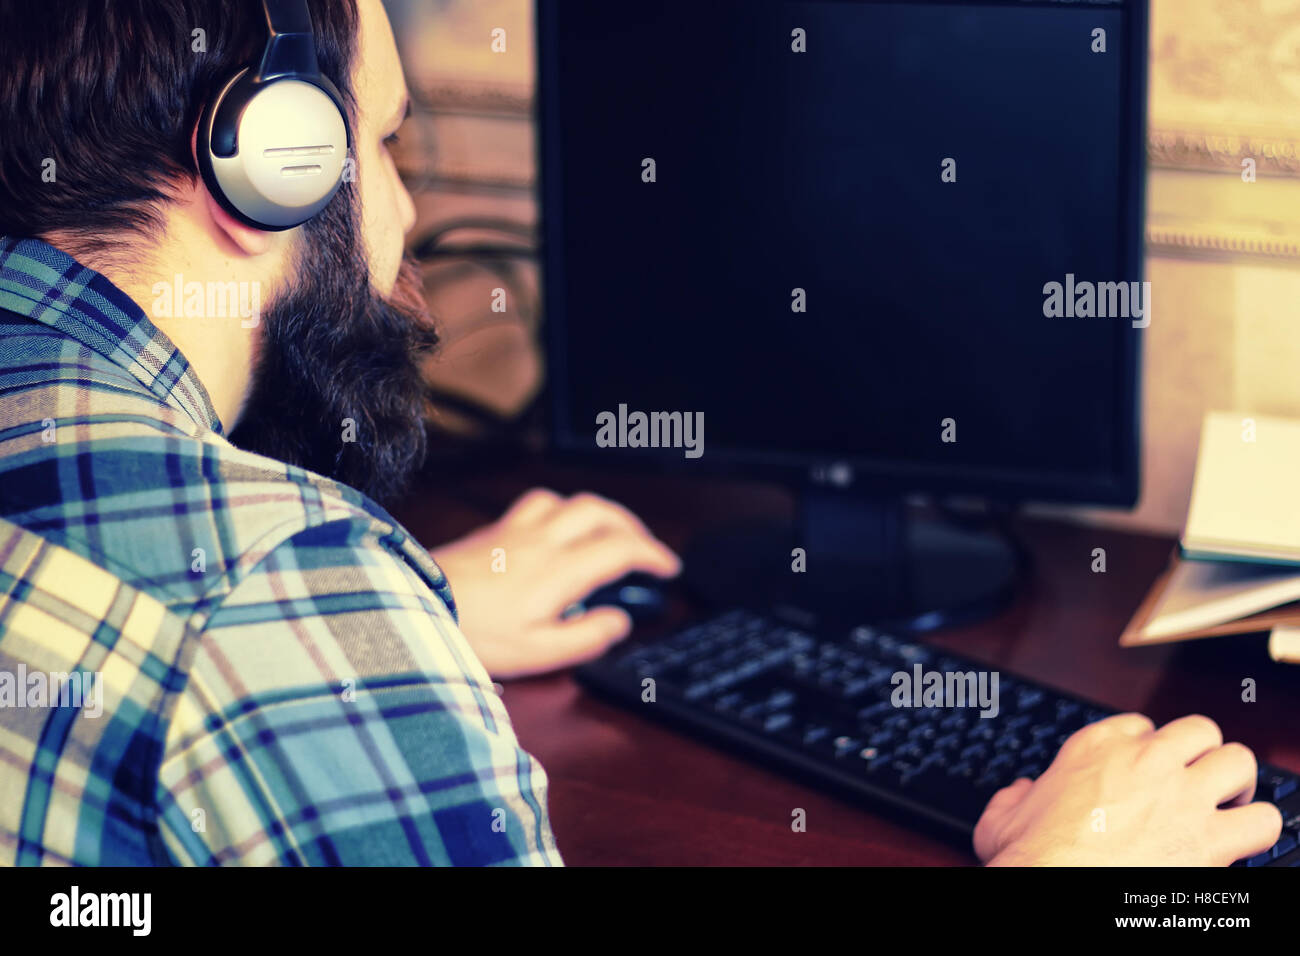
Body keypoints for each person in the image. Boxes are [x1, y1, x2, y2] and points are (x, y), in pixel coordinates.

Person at [0, 0, 1281, 867]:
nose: (398, 211)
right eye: (384, 144)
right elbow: (223, 626)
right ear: (263, 165)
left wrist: (413, 615)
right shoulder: (278, 594)